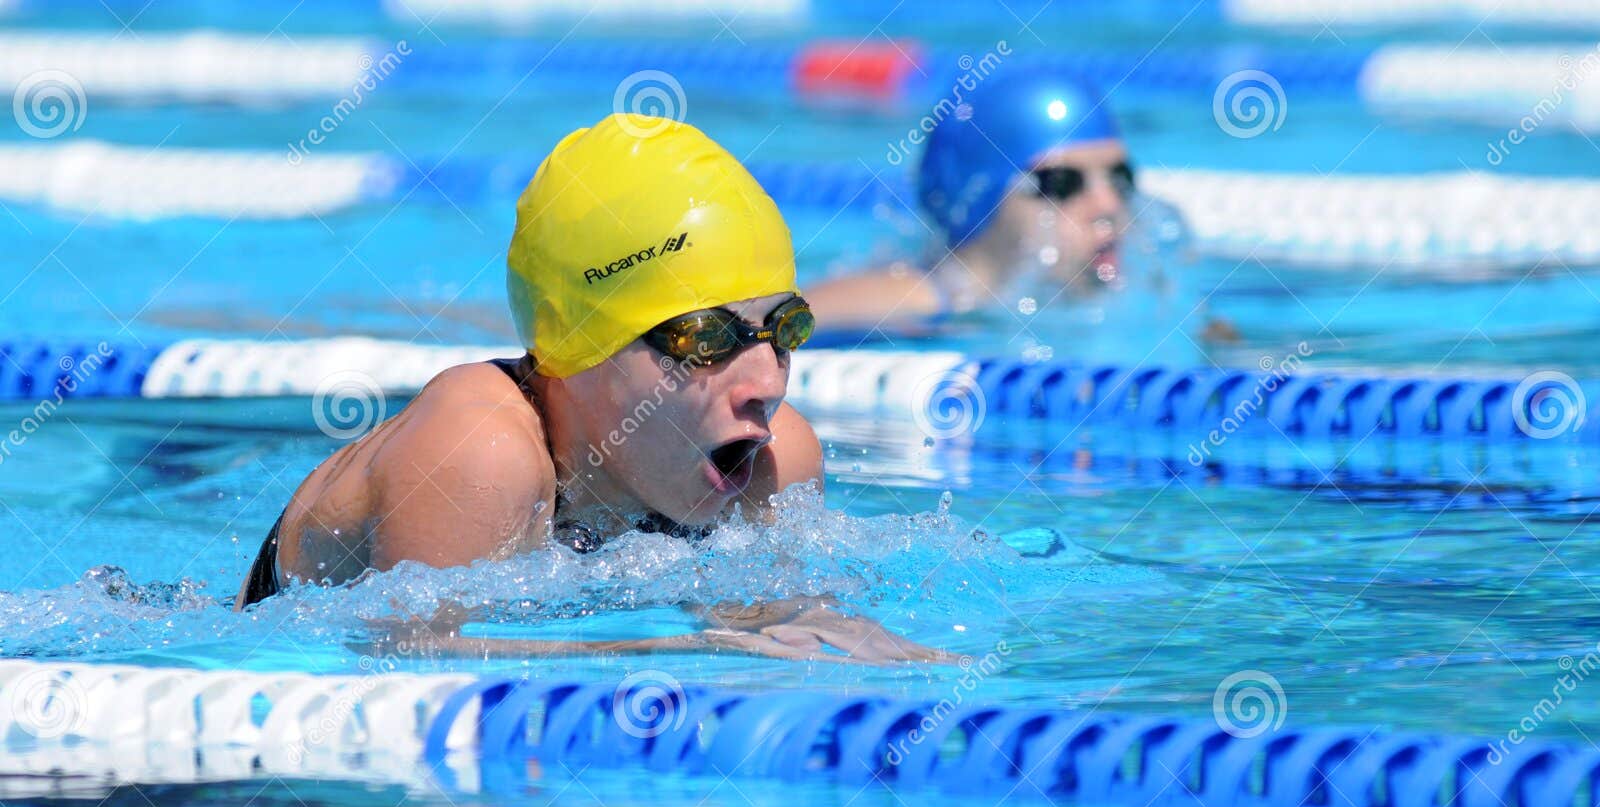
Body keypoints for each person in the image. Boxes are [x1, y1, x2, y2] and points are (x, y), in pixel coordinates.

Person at [235, 114, 948, 663]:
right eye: (706, 338)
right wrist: (672, 651)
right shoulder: (480, 454)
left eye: (782, 329)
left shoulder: (774, 460)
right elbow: (410, 667)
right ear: (581, 348)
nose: (766, 383)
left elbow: (774, 633)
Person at [806, 66, 1144, 333]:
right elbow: (767, 328)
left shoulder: (1146, 288)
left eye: (1119, 178)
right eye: (1061, 183)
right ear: (978, 199)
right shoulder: (913, 299)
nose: (1108, 205)